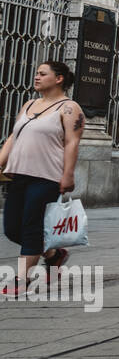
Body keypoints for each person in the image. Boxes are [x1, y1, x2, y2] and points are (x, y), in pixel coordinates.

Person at [0, 60, 85, 293]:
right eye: (36, 73)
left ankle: (21, 279)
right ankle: (54, 254)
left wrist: (68, 175)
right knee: (12, 228)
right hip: (20, 174)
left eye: (42, 73)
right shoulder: (29, 104)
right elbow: (14, 137)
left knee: (31, 225)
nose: (36, 77)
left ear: (59, 79)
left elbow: (72, 142)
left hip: (47, 176)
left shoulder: (69, 108)